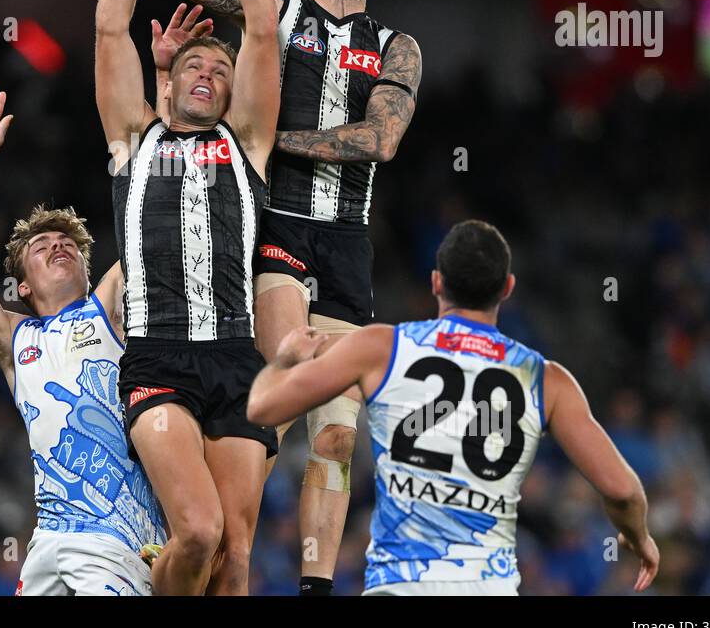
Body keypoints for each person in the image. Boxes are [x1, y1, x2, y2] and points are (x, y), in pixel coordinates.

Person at [154, 0, 422, 595]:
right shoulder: (277, 4)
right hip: (273, 228)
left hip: (346, 244)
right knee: (277, 384)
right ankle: (220, 549)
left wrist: (268, 139)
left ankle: (313, 586)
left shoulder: (397, 47)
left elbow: (382, 140)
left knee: (337, 435)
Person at [247, 220, 660, 595]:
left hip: (399, 587)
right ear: (508, 288)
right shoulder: (546, 379)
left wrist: (284, 360)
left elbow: (262, 409)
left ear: (436, 283)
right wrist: (638, 537)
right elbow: (623, 492)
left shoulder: (383, 348)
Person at [95, 0, 280, 595]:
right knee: (197, 533)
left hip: (238, 360)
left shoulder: (250, 145)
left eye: (220, 71)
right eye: (195, 66)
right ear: (169, 81)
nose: (208, 72)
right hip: (159, 357)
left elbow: (263, 34)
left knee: (236, 558)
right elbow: (110, 34)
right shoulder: (134, 140)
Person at [0, 84, 166, 595]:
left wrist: (167, 122)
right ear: (22, 284)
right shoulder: (14, 338)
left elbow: (153, 223)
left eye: (67, 243)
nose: (57, 245)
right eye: (41, 245)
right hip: (48, 541)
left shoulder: (110, 309)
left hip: (119, 537)